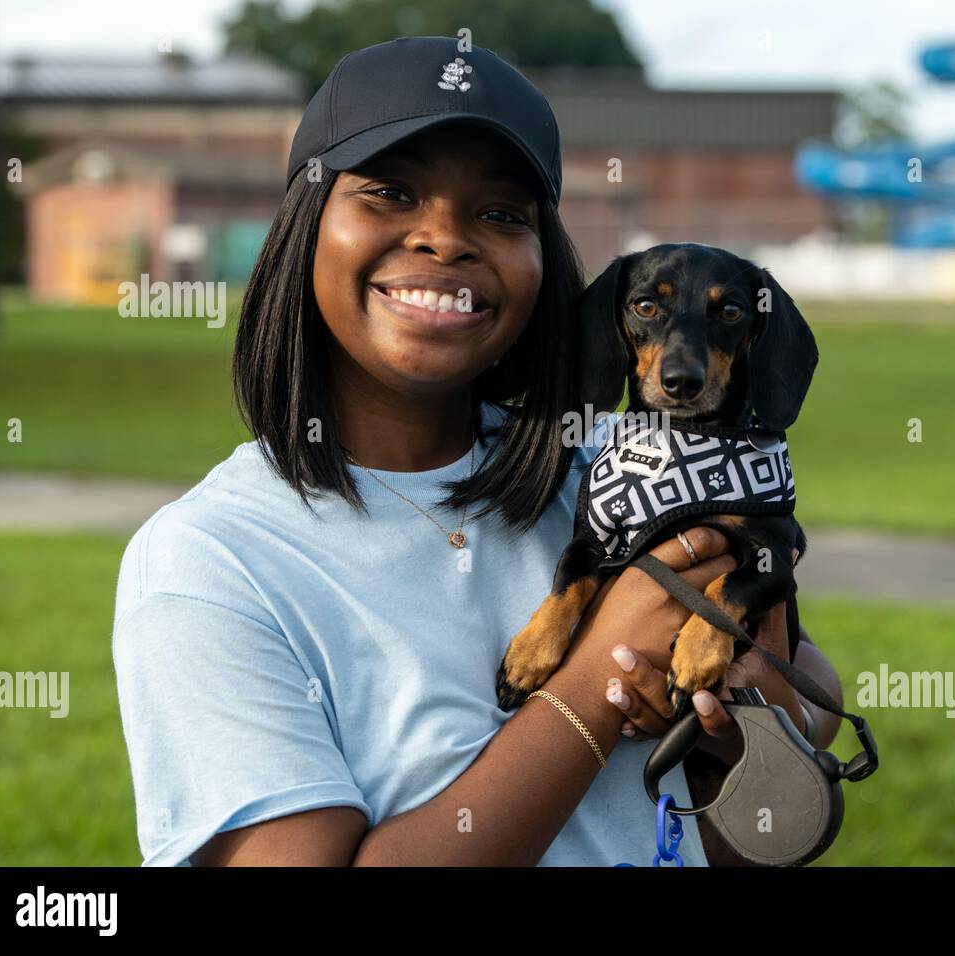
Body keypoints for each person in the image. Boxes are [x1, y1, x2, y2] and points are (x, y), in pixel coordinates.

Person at [111, 36, 843, 867]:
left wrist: (742, 716)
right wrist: (592, 687)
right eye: (390, 191)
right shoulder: (209, 565)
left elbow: (811, 705)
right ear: (303, 229)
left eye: (501, 213)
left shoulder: (619, 473)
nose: (444, 239)